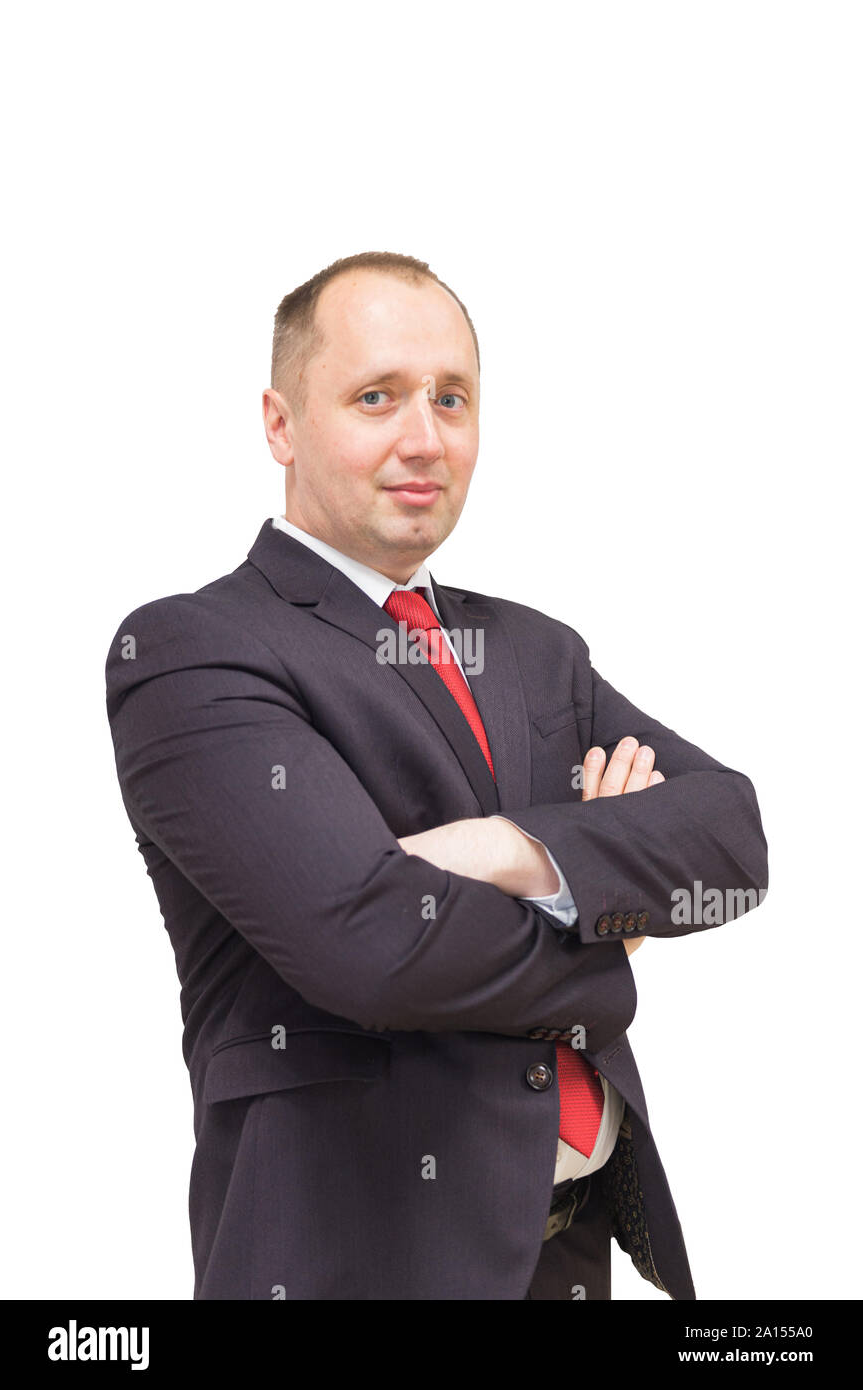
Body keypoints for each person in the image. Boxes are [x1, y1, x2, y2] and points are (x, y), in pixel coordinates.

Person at [105, 250, 768, 1300]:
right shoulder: (194, 651)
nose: (424, 438)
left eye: (450, 398)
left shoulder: (537, 650)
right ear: (279, 423)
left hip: (563, 1255)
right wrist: (607, 911)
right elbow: (371, 948)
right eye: (376, 397)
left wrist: (515, 850)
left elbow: (731, 836)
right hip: (357, 1264)